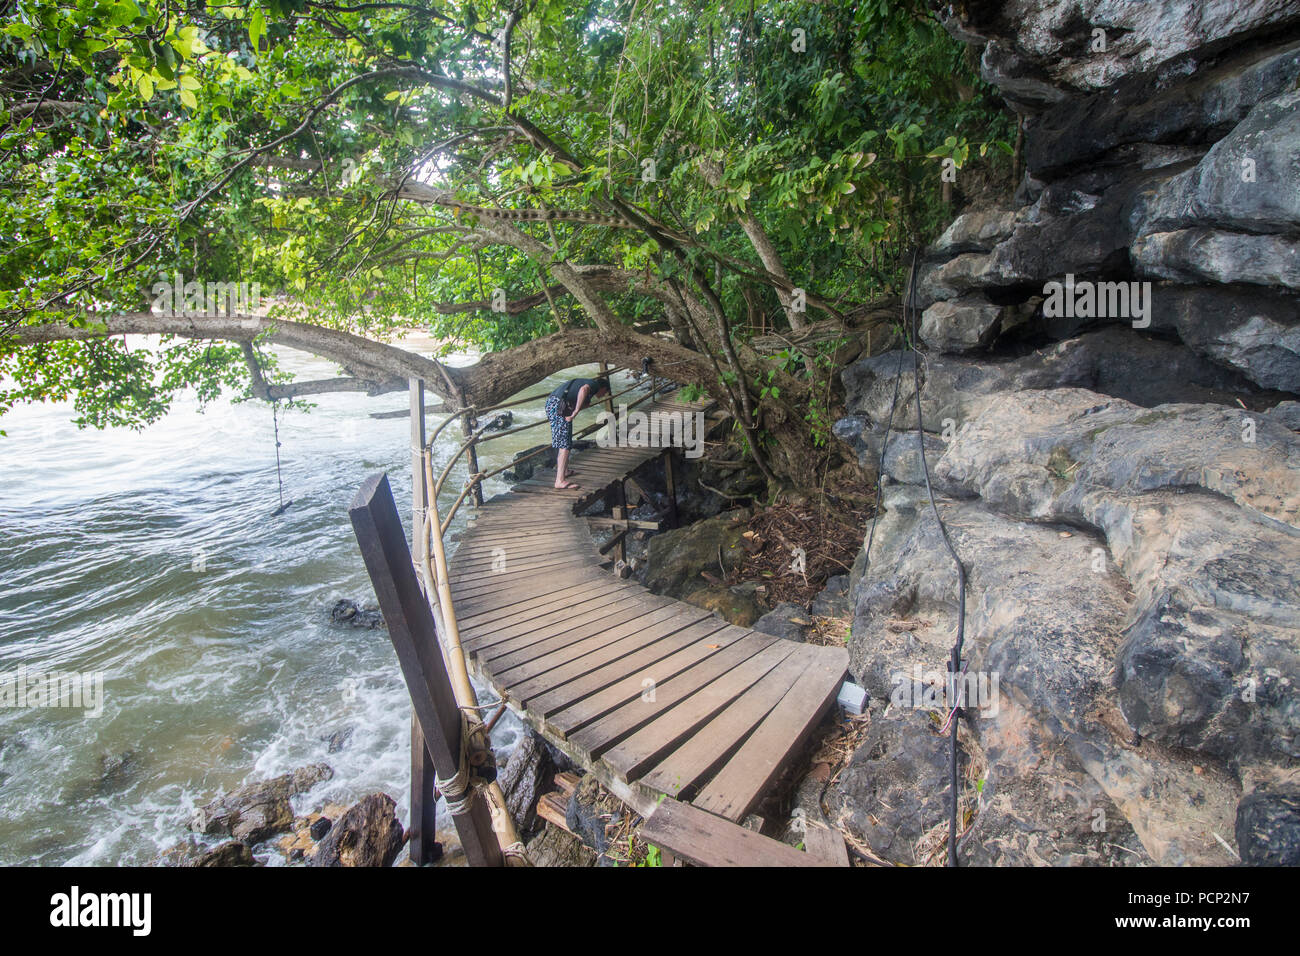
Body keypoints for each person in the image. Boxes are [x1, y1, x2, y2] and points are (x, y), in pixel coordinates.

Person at [544, 376, 611, 489]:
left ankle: (564, 471)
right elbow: (583, 390)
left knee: (565, 441)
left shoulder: (587, 383)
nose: (604, 395)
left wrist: (582, 404)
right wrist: (575, 412)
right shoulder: (593, 384)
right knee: (564, 444)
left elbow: (577, 393)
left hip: (554, 403)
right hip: (558, 405)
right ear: (603, 387)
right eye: (605, 392)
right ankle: (559, 481)